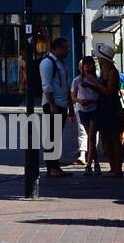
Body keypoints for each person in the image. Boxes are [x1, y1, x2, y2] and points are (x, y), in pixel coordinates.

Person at [38, 37, 71, 178]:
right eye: (64, 47)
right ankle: (51, 168)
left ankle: (55, 166)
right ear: (55, 48)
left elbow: (65, 85)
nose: (67, 50)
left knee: (56, 136)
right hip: (53, 104)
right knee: (52, 136)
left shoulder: (61, 63)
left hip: (61, 103)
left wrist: (70, 106)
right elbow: (46, 85)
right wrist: (52, 105)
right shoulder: (47, 63)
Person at [92, 42, 124, 177]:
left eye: (99, 57)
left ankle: (117, 169)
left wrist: (94, 84)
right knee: (106, 138)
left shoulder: (113, 72)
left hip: (111, 107)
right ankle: (113, 168)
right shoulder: (104, 72)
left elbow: (109, 91)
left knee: (114, 138)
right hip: (103, 107)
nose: (98, 59)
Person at [71, 56, 101, 175]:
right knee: (90, 137)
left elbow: (101, 93)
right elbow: (72, 96)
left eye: (90, 64)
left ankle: (90, 165)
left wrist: (92, 99)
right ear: (82, 67)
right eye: (85, 64)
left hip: (94, 109)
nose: (88, 66)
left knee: (92, 136)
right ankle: (95, 164)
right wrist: (79, 100)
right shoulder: (77, 80)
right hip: (82, 110)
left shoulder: (97, 79)